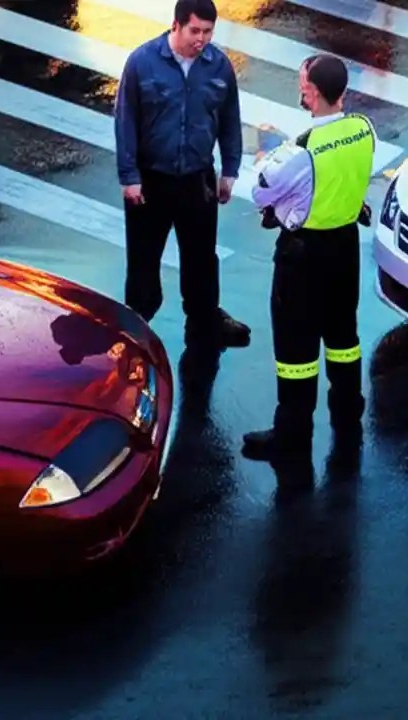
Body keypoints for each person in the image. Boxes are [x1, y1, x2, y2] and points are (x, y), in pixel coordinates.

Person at [242, 54, 376, 460]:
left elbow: (261, 190)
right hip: (346, 247)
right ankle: (348, 406)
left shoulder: (303, 149)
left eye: (303, 84)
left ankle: (292, 433)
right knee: (342, 335)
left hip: (304, 258)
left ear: (312, 93)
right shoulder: (363, 130)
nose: (301, 89)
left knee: (296, 349)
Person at [114, 0, 250, 348]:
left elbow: (229, 119)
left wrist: (230, 170)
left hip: (197, 178)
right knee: (143, 257)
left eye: (207, 31)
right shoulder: (142, 63)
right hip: (151, 179)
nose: (201, 39)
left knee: (202, 256)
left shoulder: (218, 67)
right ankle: (138, 322)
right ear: (176, 26)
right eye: (195, 31)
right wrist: (129, 177)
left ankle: (205, 317)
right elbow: (125, 121)